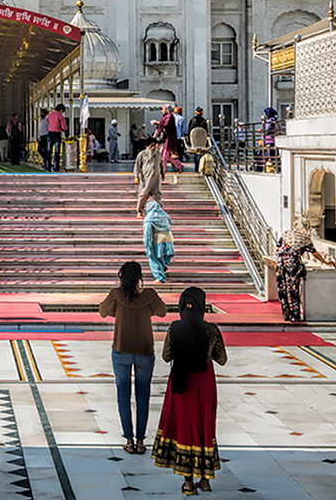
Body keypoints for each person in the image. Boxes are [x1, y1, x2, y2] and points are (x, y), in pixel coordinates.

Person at [152, 286, 228, 494]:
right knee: (204, 427)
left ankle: (187, 482)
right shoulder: (211, 330)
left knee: (184, 428)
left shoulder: (174, 328)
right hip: (203, 385)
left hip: (181, 382)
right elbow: (222, 359)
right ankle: (205, 480)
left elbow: (166, 356)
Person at [100, 260, 168, 455]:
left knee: (123, 395)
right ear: (140, 277)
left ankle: (128, 440)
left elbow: (103, 311)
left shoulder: (116, 294)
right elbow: (162, 311)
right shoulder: (149, 295)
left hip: (121, 349)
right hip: (145, 350)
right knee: (143, 396)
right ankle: (140, 441)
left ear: (121, 277)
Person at [276, 221, 314, 322]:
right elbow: (315, 253)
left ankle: (286, 314)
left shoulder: (286, 234)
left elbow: (277, 247)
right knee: (292, 290)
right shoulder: (304, 238)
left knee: (282, 289)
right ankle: (294, 316)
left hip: (280, 264)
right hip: (292, 267)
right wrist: (326, 263)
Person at [143, 200, 174, 282]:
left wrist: (147, 246)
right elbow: (170, 222)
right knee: (164, 257)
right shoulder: (164, 214)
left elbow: (147, 234)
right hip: (168, 239)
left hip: (157, 240)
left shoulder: (149, 218)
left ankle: (159, 277)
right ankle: (163, 267)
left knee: (154, 258)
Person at [134, 142, 163, 217]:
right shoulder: (142, 154)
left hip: (156, 179)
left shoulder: (158, 154)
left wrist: (162, 173)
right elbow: (137, 166)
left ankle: (158, 211)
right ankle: (139, 211)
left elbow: (161, 164)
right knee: (143, 195)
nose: (153, 147)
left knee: (157, 196)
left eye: (154, 145)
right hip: (146, 179)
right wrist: (136, 176)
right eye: (151, 145)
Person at [47, 104, 68, 171]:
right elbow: (64, 127)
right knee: (56, 151)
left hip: (50, 133)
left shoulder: (50, 115)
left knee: (49, 151)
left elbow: (48, 121)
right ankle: (55, 167)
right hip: (57, 134)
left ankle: (48, 166)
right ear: (61, 110)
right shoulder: (60, 116)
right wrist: (65, 130)